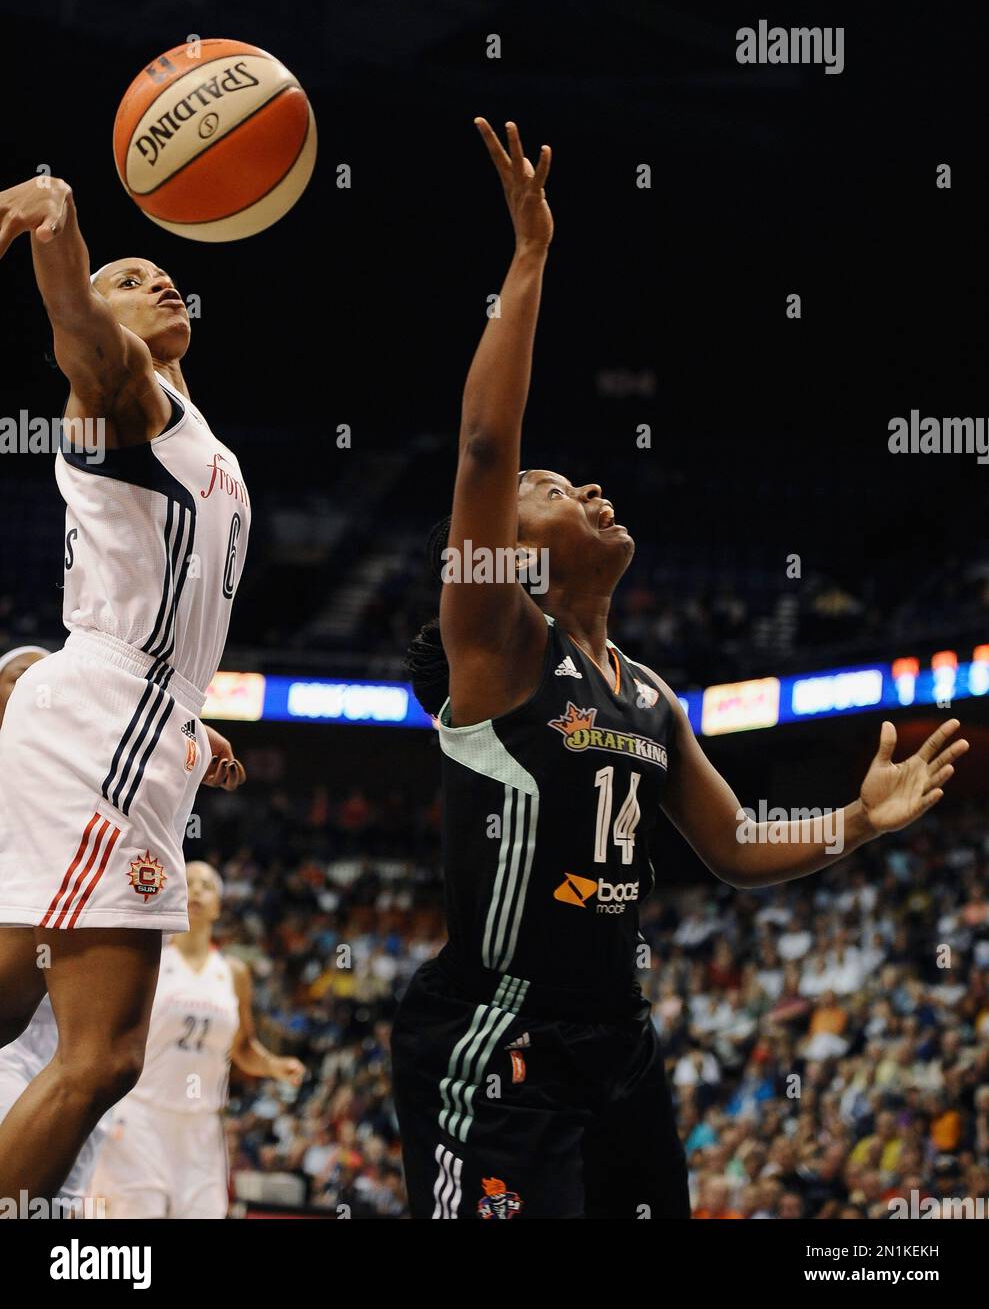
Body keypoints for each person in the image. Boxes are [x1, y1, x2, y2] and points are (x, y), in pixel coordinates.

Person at [392, 117, 969, 1219]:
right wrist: (527, 260)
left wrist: (852, 820)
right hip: (498, 1030)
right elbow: (480, 447)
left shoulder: (652, 693)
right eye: (553, 486)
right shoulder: (501, 647)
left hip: (619, 1045)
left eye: (581, 481)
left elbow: (737, 842)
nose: (590, 490)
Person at [0, 172, 251, 1202]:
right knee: (100, 1056)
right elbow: (78, 331)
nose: (161, 282)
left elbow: (168, 596)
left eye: (167, 273)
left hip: (141, 722)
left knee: (21, 1013)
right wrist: (62, 240)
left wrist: (191, 723)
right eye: (129, 277)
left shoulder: (189, 430)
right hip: (108, 722)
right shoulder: (122, 389)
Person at [90, 861, 305, 1218]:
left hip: (203, 1126)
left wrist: (273, 1066)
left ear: (219, 905)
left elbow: (243, 1047)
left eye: (207, 885)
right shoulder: (149, 961)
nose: (198, 890)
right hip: (140, 1117)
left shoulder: (233, 973)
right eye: (188, 882)